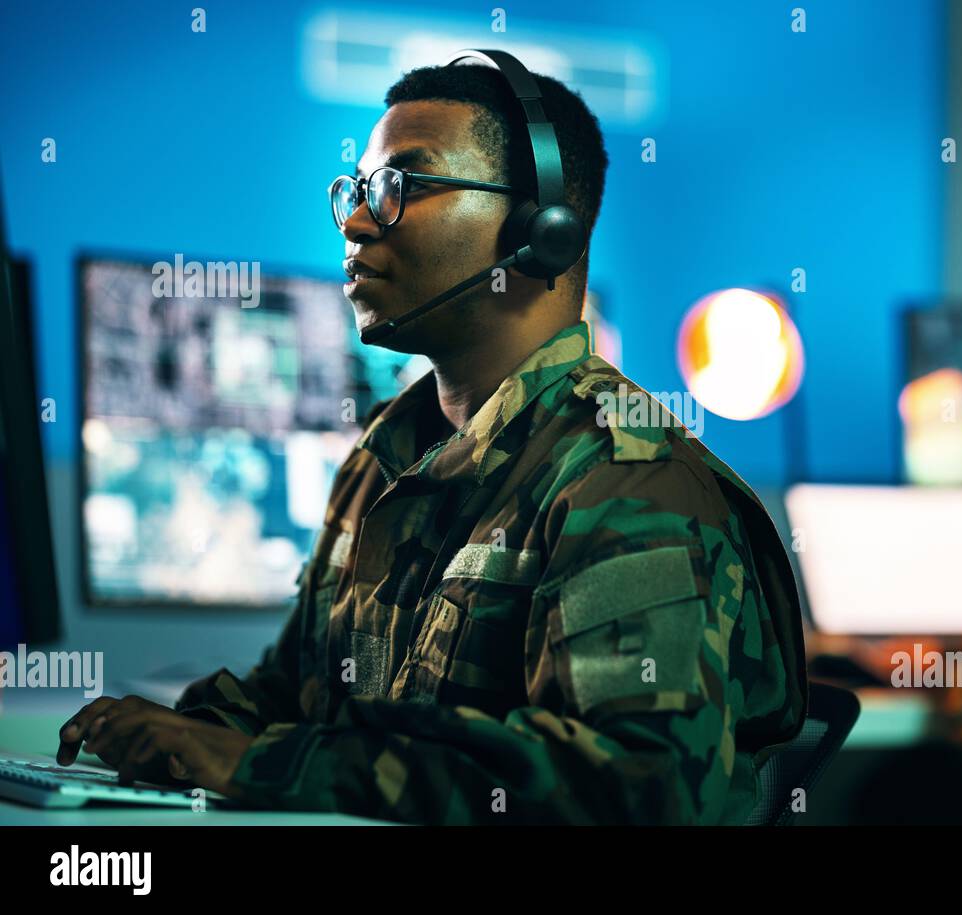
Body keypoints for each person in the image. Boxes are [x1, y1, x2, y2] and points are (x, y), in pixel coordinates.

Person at [54, 55, 808, 824]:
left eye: (399, 189)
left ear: (539, 232)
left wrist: (262, 764)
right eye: (355, 191)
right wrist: (186, 737)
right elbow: (296, 698)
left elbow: (633, 787)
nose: (354, 222)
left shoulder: (627, 478)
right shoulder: (381, 461)